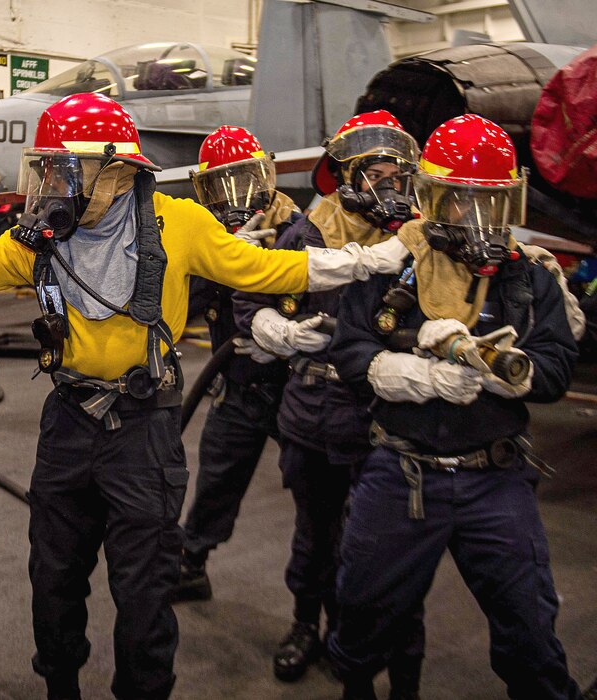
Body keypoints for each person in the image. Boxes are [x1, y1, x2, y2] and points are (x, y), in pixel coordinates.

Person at [0, 92, 411, 699]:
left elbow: (262, 268)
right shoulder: (42, 237)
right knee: (53, 577)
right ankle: (60, 681)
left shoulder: (180, 224)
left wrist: (363, 262)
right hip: (69, 423)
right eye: (48, 169)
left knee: (145, 591)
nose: (52, 183)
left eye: (65, 169)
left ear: (112, 172)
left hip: (143, 428)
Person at [327, 114, 581, 700]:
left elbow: (557, 367)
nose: (476, 221)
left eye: (490, 204)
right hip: (400, 473)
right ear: (432, 198)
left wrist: (506, 379)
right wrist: (397, 372)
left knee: (531, 632)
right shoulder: (393, 262)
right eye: (460, 203)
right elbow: (351, 346)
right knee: (362, 615)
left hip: (495, 479)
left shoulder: (529, 276)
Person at [233, 110, 427, 688]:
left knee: (388, 548)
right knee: (315, 533)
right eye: (377, 172)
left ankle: (374, 645)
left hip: (389, 419)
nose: (390, 184)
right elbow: (250, 304)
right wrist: (285, 335)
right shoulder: (309, 233)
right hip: (314, 414)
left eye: (399, 172)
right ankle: (305, 624)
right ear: (346, 176)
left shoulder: (420, 236)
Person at [174, 126, 298, 601]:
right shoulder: (207, 242)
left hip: (295, 387)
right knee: (216, 479)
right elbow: (181, 305)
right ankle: (192, 564)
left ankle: (324, 602)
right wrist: (215, 261)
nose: (235, 198)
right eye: (220, 187)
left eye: (244, 181)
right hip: (239, 385)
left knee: (321, 494)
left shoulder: (296, 232)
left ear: (265, 177)